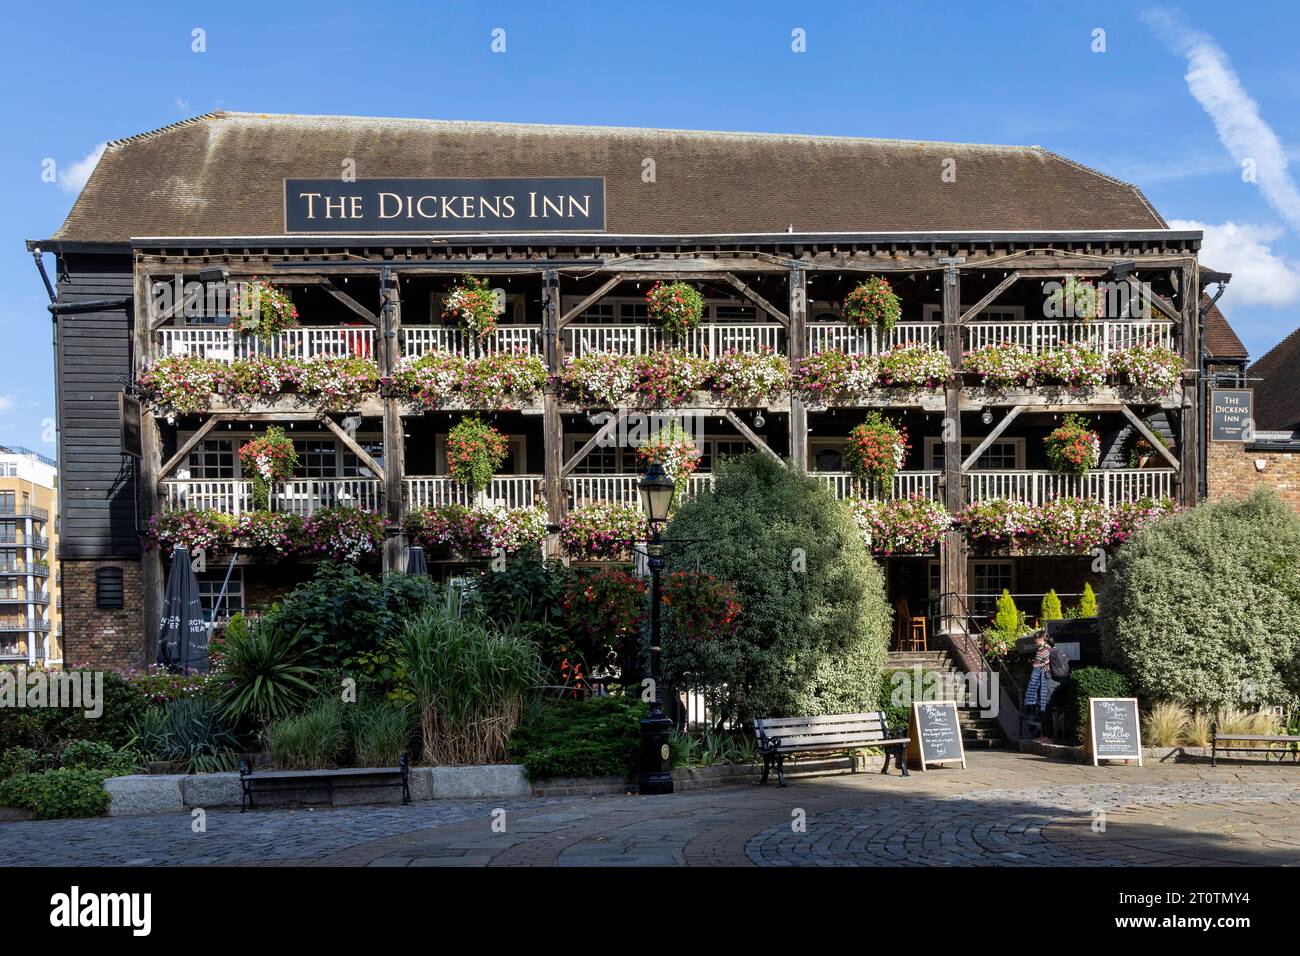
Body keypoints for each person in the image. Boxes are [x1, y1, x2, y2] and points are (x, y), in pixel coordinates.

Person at [1024, 632, 1054, 743]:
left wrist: (1030, 690)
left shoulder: (1041, 650)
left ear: (1041, 639)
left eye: (1035, 639)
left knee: (1043, 708)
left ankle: (1047, 736)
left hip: (1044, 682)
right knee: (1047, 708)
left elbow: (1035, 666)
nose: (1034, 641)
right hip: (1052, 681)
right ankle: (1047, 736)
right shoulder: (1051, 649)